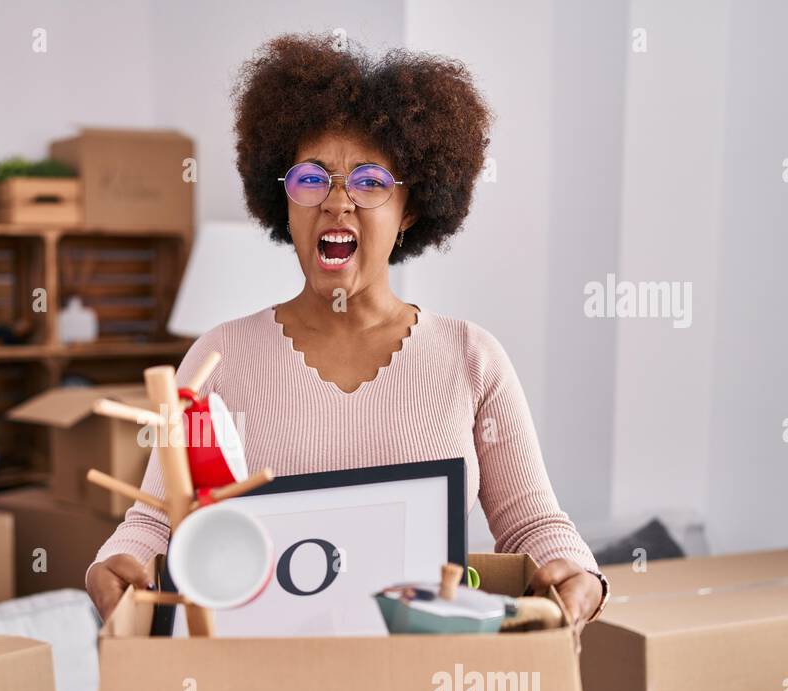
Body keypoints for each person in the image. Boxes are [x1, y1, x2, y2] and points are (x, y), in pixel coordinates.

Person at [85, 33, 608, 631]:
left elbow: (532, 526)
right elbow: (157, 521)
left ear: (410, 209)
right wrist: (114, 563)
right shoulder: (218, 358)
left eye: (369, 182)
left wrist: (577, 574)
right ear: (283, 200)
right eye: (312, 179)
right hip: (261, 677)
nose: (338, 203)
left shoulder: (472, 358)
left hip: (422, 683)